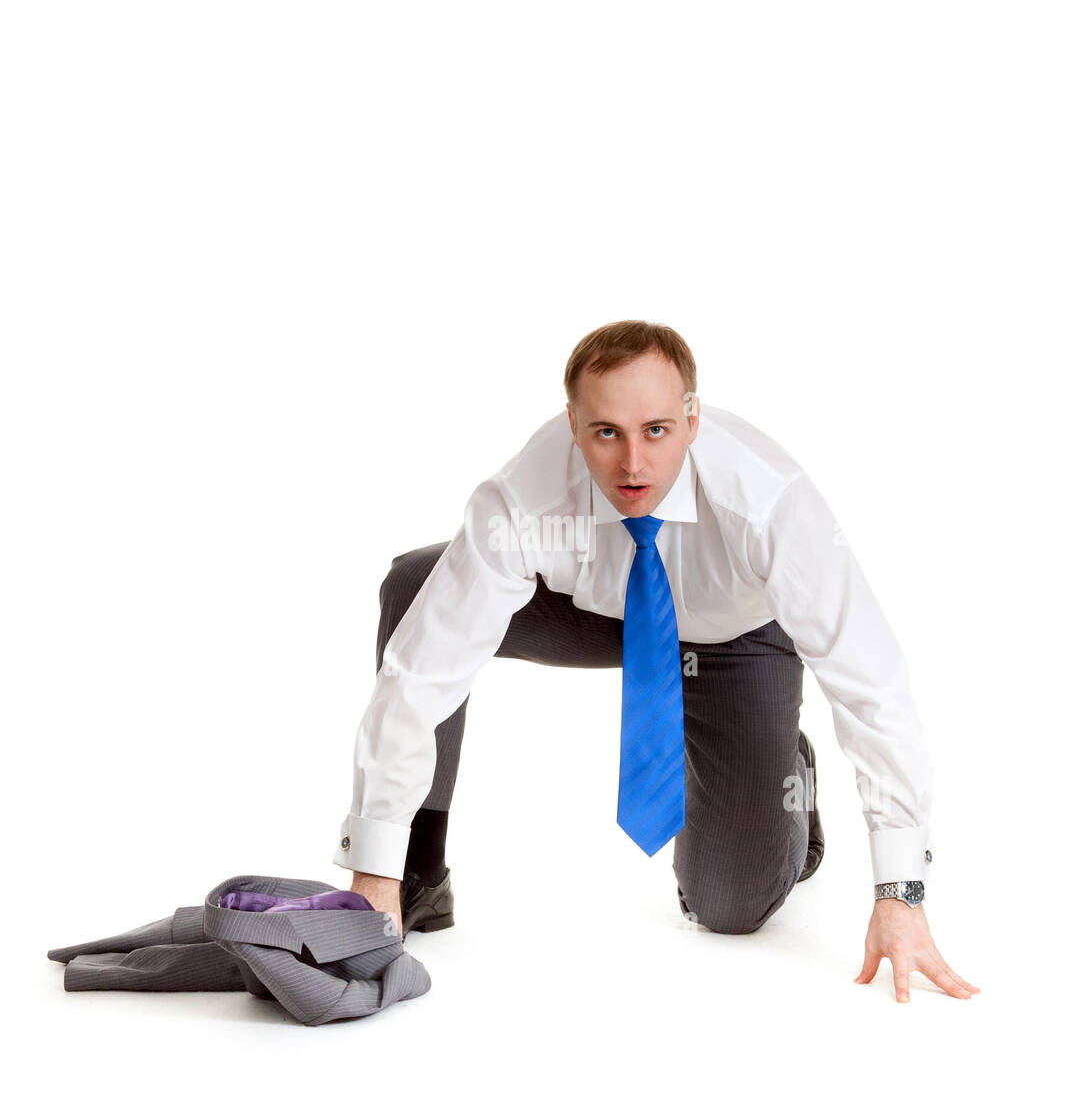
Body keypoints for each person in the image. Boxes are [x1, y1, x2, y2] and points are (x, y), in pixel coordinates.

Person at [332, 319, 979, 1004]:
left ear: (693, 420)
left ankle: (786, 770)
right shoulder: (523, 496)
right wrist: (374, 872)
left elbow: (871, 684)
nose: (633, 464)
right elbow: (425, 666)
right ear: (575, 426)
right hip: (602, 614)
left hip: (736, 635)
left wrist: (900, 893)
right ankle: (416, 874)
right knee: (418, 593)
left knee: (729, 908)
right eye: (606, 432)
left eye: (657, 431)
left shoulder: (770, 505)